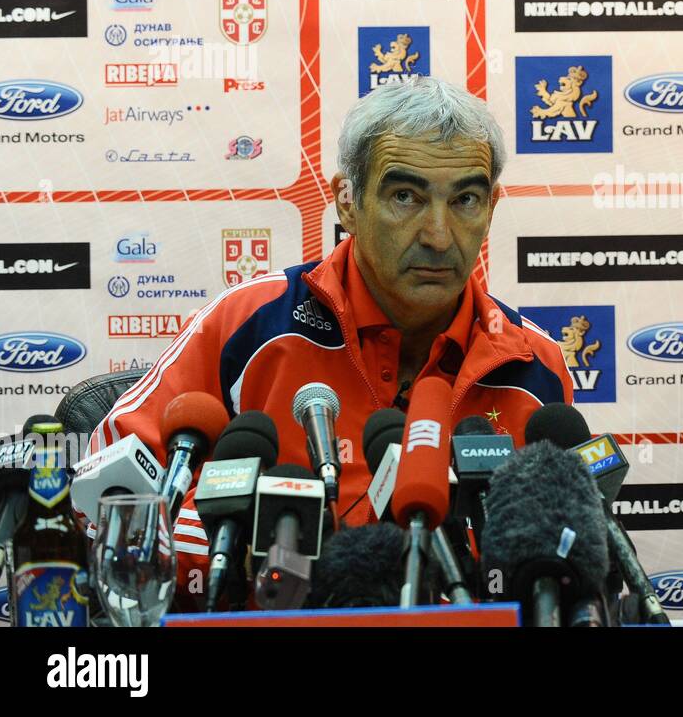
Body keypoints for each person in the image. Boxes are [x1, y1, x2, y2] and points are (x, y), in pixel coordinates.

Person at [87, 80, 573, 606]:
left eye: (465, 200)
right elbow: (111, 500)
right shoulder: (248, 324)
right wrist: (259, 551)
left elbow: (567, 551)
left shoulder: (534, 365)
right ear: (347, 202)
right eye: (405, 196)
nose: (438, 234)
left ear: (492, 207)